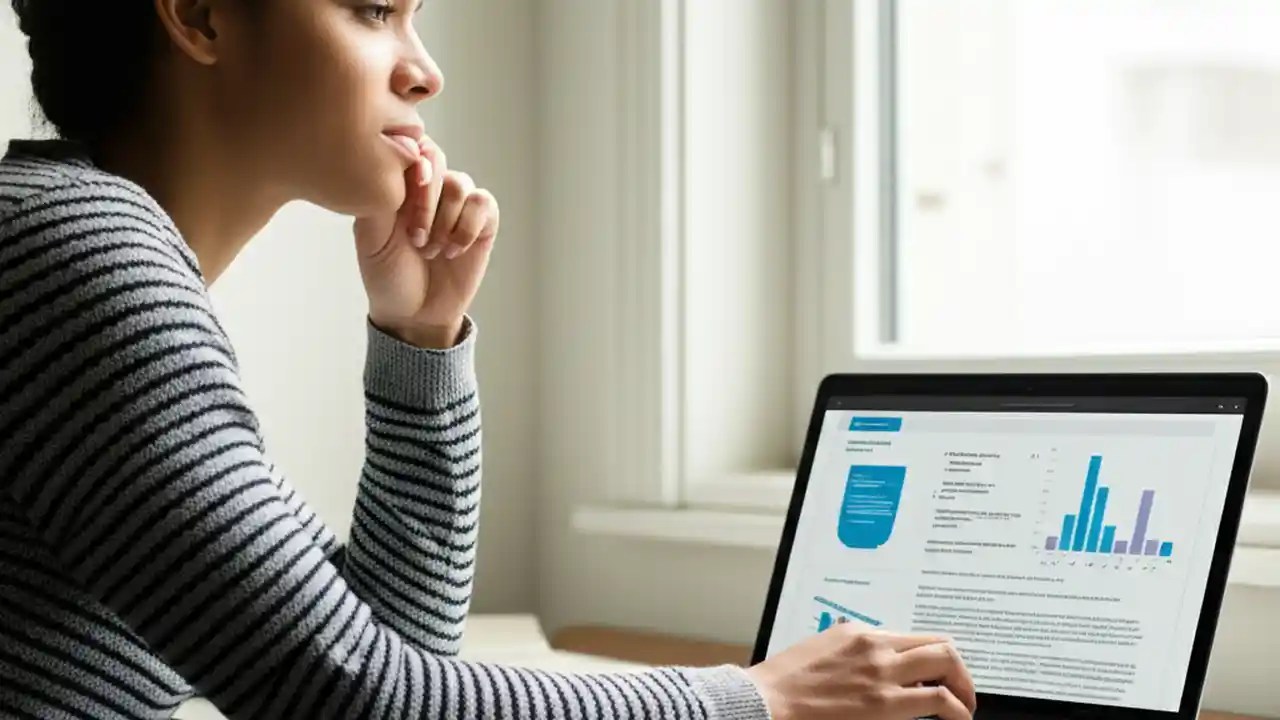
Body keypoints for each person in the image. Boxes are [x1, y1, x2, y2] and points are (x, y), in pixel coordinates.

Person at [0, 1, 978, 719]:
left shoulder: (73, 245)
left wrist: (419, 342)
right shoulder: (76, 254)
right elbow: (354, 699)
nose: (424, 72)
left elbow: (391, 649)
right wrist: (757, 700)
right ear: (199, 16)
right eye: (372, 11)